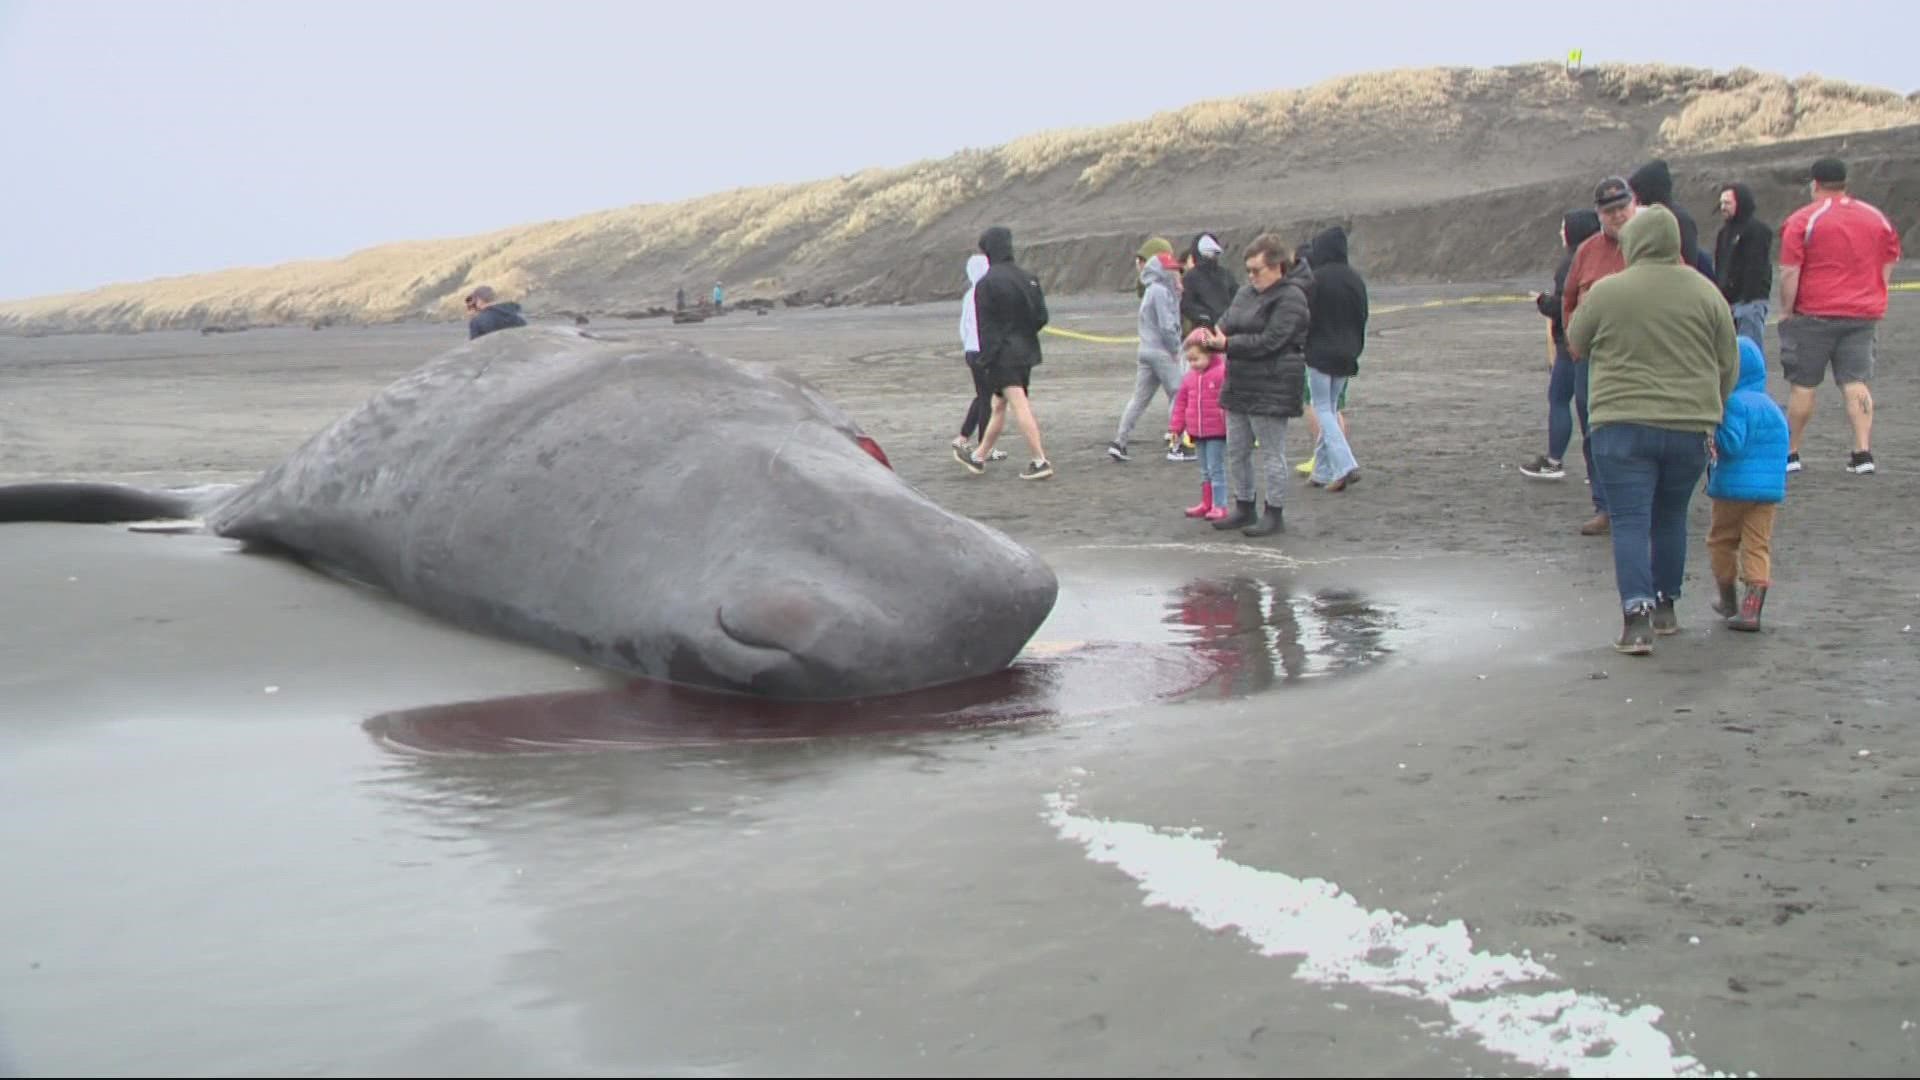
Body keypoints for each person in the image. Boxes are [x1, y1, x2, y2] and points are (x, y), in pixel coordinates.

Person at [1566, 205, 1740, 655]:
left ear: (1633, 243)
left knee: (1629, 519)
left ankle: (1636, 620)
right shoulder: (1706, 293)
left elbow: (1576, 341)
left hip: (1620, 423)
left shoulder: (1607, 291)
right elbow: (1729, 362)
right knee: (1670, 516)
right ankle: (1665, 609)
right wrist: (1712, 406)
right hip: (1689, 425)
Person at [1776, 156, 1902, 476]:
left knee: (1803, 385)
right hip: (1861, 314)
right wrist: (1876, 292)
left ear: (1815, 184)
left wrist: (1787, 310)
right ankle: (1862, 452)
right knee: (1855, 382)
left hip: (1813, 314)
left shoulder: (1803, 220)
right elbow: (1889, 259)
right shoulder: (1876, 218)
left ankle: (1790, 452)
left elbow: (1790, 271)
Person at [1202, 234, 1311, 537]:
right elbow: (1226, 321)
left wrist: (1228, 343)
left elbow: (1272, 340)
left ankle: (1274, 513)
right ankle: (1244, 506)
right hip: (1240, 380)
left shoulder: (1292, 297)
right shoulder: (1245, 294)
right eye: (1248, 270)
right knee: (1237, 450)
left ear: (1277, 267)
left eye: (1256, 270)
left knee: (1272, 453)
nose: (1251, 276)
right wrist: (1213, 335)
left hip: (1273, 383)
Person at [1561, 175, 1639, 536]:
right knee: (1595, 433)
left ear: (1634, 204)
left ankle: (1639, 505)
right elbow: (1569, 299)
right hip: (1593, 359)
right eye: (1609, 211)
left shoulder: (1654, 246)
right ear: (1598, 214)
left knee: (1639, 431)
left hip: (1641, 357)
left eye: (1622, 207)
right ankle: (1604, 506)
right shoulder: (1587, 251)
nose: (1618, 215)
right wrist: (1575, 346)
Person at [1705, 336, 1789, 632]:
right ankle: (1752, 609)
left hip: (1732, 488)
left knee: (1722, 540)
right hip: (1768, 492)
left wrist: (1713, 428)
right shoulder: (1771, 406)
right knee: (1757, 544)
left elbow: (1731, 444)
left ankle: (1728, 599)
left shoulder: (1733, 403)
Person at [959, 226, 1054, 480]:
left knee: (1018, 405)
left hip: (1003, 355)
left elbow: (987, 329)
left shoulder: (986, 283)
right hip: (1027, 351)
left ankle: (1040, 460)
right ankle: (979, 456)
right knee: (999, 405)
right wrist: (1024, 334)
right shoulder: (1028, 278)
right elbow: (1041, 317)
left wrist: (986, 359)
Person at [1521, 208, 1602, 481]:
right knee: (1587, 405)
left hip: (1571, 343)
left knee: (1562, 399)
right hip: (1592, 341)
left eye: (1564, 227)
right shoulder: (1601, 256)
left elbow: (1564, 305)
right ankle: (1595, 467)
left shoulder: (1572, 262)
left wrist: (1542, 301)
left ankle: (1556, 461)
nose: (1560, 232)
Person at [1301, 226, 1367, 491]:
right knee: (1329, 406)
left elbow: (1306, 317)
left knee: (1322, 408)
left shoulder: (1316, 279)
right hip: (1348, 352)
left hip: (1320, 353)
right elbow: (1362, 315)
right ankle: (1321, 471)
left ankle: (1345, 464)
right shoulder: (1355, 280)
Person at [1107, 251, 1186, 462]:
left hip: (1145, 350)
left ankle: (1119, 442)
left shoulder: (1151, 290)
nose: (1175, 273)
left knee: (1139, 399)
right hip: (1161, 351)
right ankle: (1176, 445)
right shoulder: (1161, 292)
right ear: (1161, 271)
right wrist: (1175, 349)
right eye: (1170, 269)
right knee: (1178, 393)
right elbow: (1167, 325)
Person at [1168, 328, 1230, 521]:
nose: (1193, 364)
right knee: (1204, 470)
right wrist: (1176, 428)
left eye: (1196, 359)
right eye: (1190, 360)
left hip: (1217, 431)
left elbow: (1229, 402)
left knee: (1216, 468)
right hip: (1197, 432)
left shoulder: (1222, 374)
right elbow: (1181, 404)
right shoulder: (1189, 378)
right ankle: (1207, 503)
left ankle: (1220, 505)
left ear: (1210, 353)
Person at [952, 253, 1005, 461]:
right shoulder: (988, 293)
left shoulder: (969, 295)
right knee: (987, 400)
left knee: (982, 395)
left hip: (971, 351)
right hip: (984, 351)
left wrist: (968, 346)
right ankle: (985, 447)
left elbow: (963, 327)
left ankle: (963, 437)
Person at [1713, 183, 1773, 348]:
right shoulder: (1723, 233)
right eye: (1721, 203)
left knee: (1748, 351)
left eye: (1727, 203)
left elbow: (1756, 268)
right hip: (1728, 304)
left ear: (1741, 203)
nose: (1723, 207)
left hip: (1749, 304)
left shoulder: (1757, 230)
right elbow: (1720, 267)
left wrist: (1748, 297)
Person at [1179, 232, 1238, 334]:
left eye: (1213, 252)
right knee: (1203, 343)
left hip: (1227, 328)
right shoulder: (1191, 277)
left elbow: (1237, 298)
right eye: (1208, 252)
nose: (1211, 255)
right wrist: (1204, 317)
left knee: (1224, 344)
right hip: (1203, 329)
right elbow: (1186, 304)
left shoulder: (1225, 274)